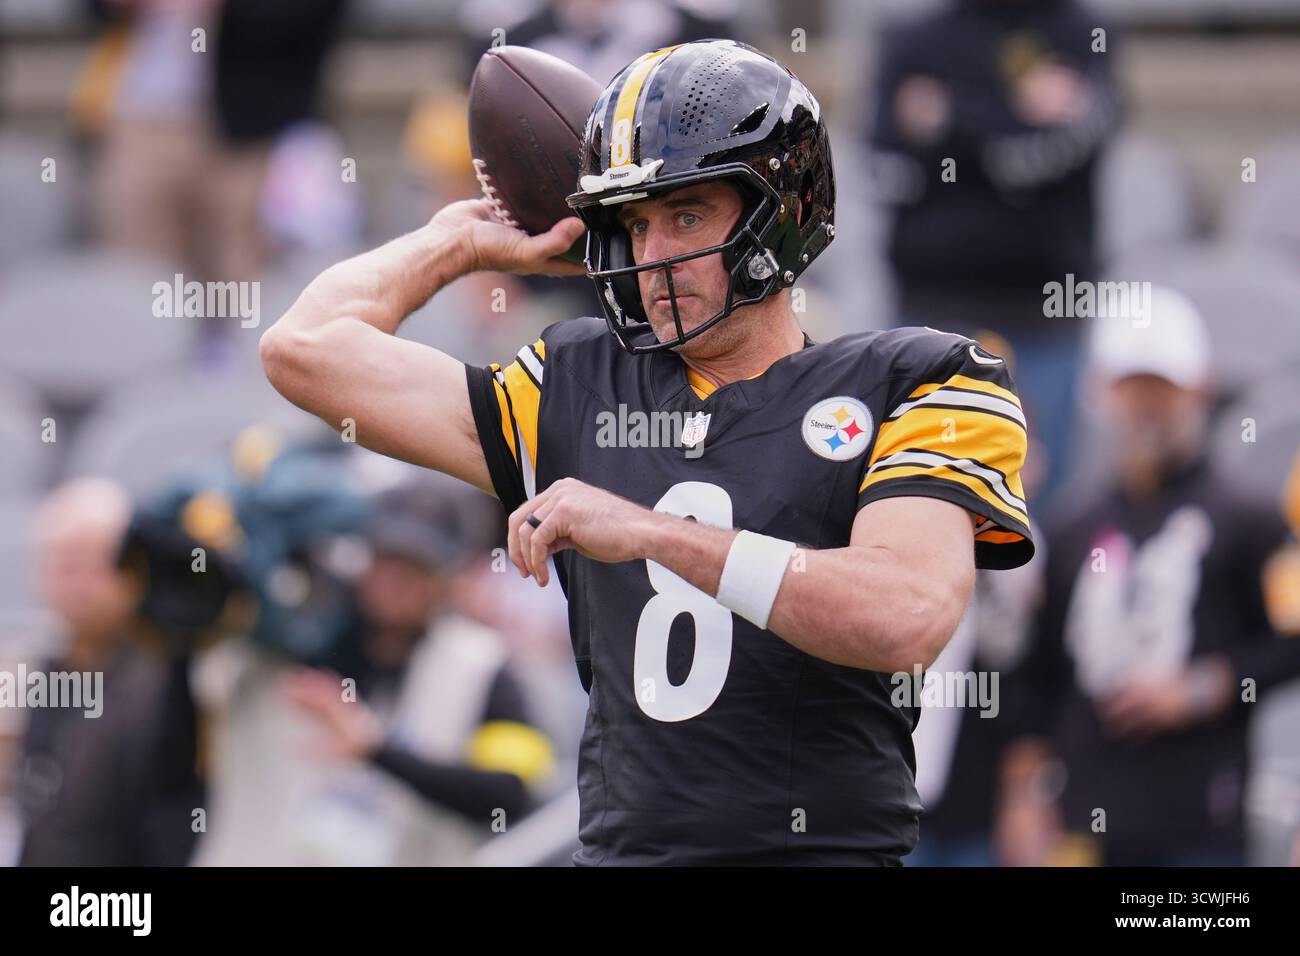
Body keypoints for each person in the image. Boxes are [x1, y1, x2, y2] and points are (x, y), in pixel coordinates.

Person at [261, 39, 1035, 865]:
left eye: (687, 215)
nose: (654, 255)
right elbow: (303, 350)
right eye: (633, 223)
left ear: (782, 209)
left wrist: (651, 534)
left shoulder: (922, 383)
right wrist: (458, 244)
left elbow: (903, 615)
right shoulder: (577, 384)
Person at [996, 288, 1300, 866]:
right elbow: (1038, 680)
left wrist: (1203, 688)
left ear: (1200, 390)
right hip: (1084, 822)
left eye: (1161, 390)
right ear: (1098, 393)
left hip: (1199, 822)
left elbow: (1290, 642)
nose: (1145, 408)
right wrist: (1024, 794)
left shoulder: (1249, 522)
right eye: (1130, 388)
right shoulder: (1071, 530)